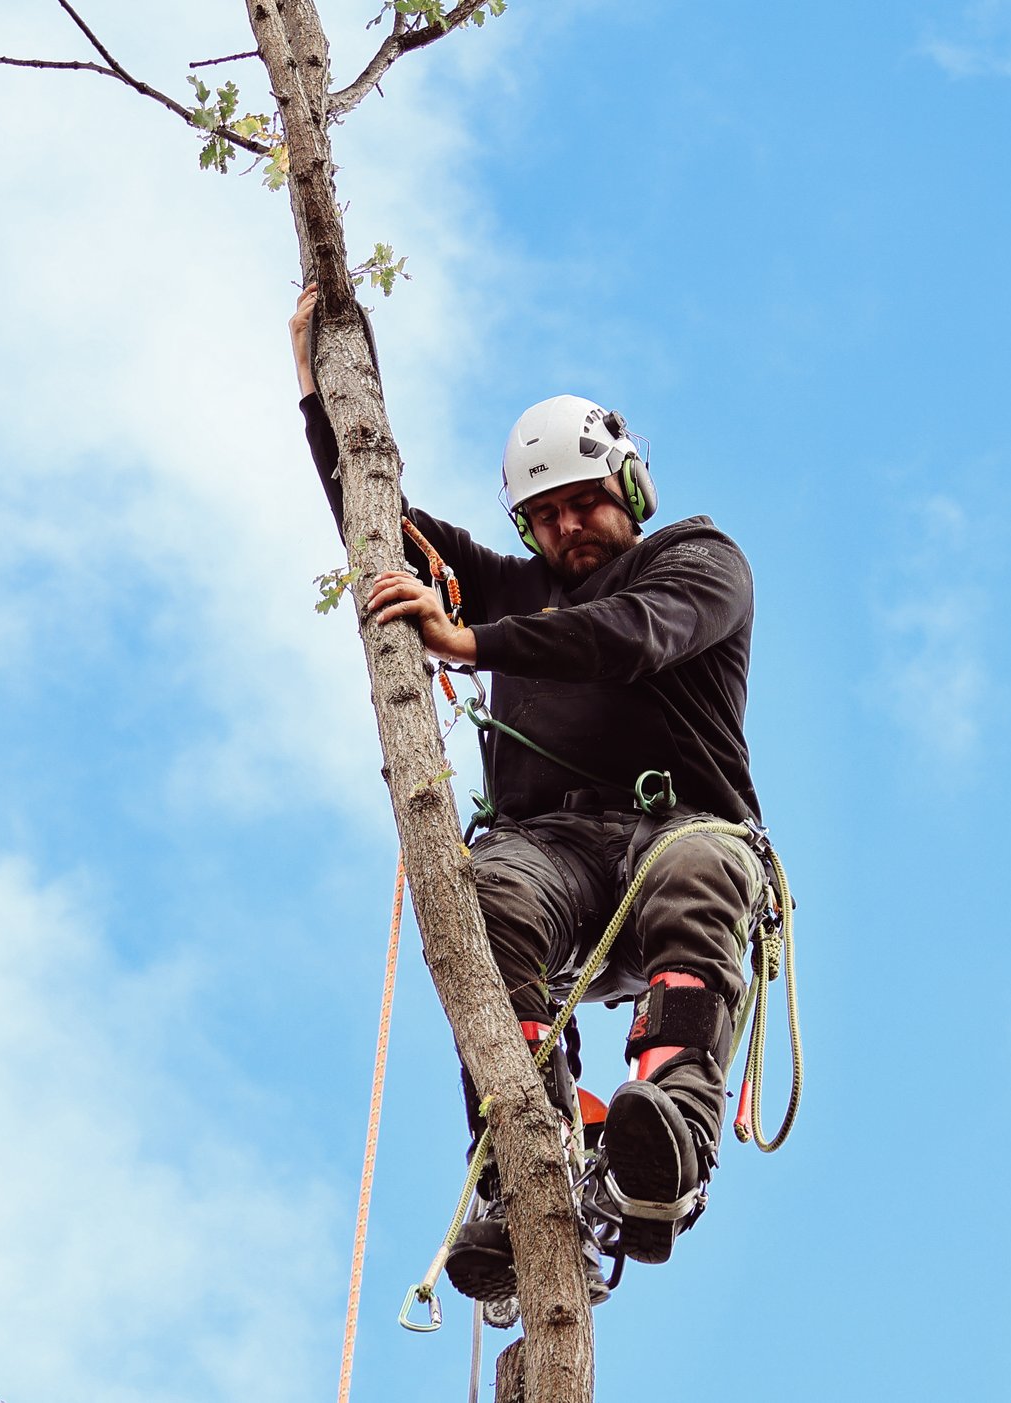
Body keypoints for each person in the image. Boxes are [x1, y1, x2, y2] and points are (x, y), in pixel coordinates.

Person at [289, 285, 770, 1305]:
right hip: (549, 849)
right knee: (489, 891)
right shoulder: (516, 589)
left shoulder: (699, 562)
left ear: (630, 488)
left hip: (675, 831)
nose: (567, 527)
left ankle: (670, 1131)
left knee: (696, 866)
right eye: (544, 516)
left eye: (584, 502)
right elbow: (379, 520)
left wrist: (470, 640)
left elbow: (630, 636)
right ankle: (528, 1156)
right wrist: (318, 391)